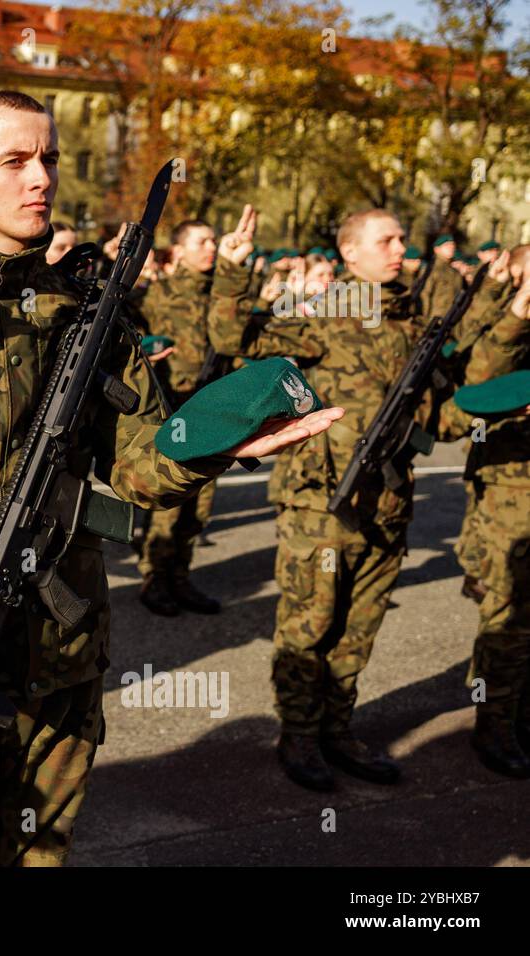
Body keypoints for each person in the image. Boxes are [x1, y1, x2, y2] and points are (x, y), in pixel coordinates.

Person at [0, 91, 341, 865]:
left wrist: (214, 446)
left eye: (48, 159)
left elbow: (133, 461)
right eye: (14, 161)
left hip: (64, 646)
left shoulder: (90, 300)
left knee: (40, 852)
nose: (40, 177)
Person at [208, 205, 501, 792]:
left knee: (359, 629)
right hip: (321, 503)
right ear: (349, 252)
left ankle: (339, 729)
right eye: (386, 239)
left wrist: (492, 409)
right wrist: (232, 272)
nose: (400, 249)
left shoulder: (412, 322)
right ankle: (299, 735)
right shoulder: (327, 312)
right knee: (309, 625)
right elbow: (236, 337)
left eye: (401, 239)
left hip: (389, 503)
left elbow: (437, 420)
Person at [436, 252, 530, 777]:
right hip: (511, 498)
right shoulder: (500, 322)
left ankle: (523, 718)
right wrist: (520, 309)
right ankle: (494, 727)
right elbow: (478, 382)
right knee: (509, 620)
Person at [133, 218, 224, 616]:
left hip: (213, 410)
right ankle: (154, 578)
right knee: (169, 500)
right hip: (172, 409)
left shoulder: (222, 295)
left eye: (213, 241)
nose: (211, 248)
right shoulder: (155, 295)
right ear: (180, 250)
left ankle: (181, 577)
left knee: (200, 504)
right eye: (202, 241)